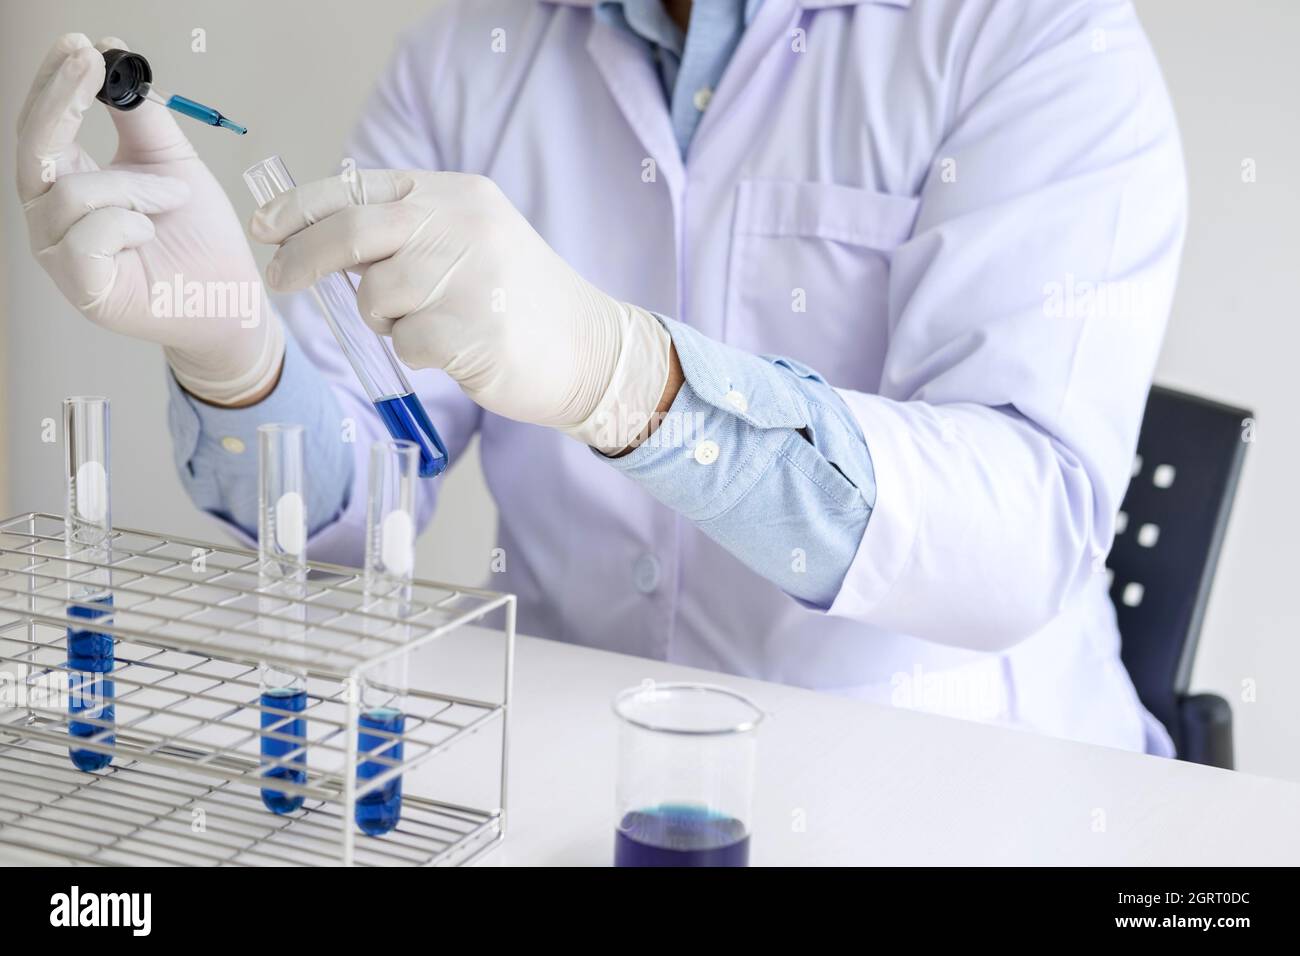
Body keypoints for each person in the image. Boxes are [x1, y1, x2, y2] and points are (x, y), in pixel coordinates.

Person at [16, 0, 1186, 753]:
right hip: (584, 762)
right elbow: (364, 508)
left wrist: (635, 383)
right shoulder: (466, 62)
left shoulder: (1032, 35)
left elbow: (1020, 529)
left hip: (957, 792)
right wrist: (233, 350)